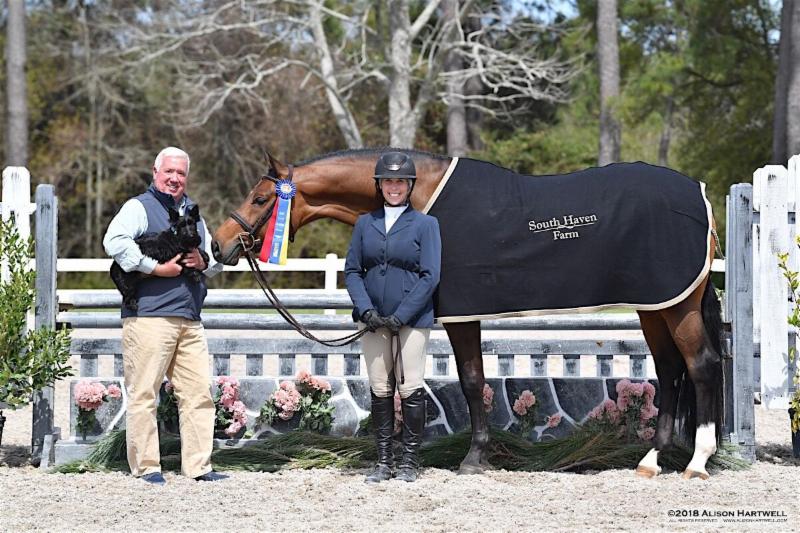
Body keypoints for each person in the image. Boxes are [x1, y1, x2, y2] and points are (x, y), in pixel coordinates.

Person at [103, 146, 226, 485]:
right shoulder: (138, 207)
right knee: (144, 393)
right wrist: (155, 268)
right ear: (155, 172)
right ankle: (147, 467)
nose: (175, 178)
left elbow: (212, 257)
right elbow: (113, 241)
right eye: (168, 172)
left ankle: (199, 467)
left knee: (199, 394)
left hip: (190, 316)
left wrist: (205, 262)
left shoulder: (192, 212)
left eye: (181, 173)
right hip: (149, 316)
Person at [345, 151, 442, 483]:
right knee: (380, 388)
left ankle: (410, 460)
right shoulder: (364, 223)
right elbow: (353, 271)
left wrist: (401, 315)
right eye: (389, 181)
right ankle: (384, 459)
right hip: (372, 320)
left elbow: (431, 275)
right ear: (380, 185)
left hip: (411, 320)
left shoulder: (426, 225)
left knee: (410, 386)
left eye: (400, 181)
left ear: (409, 185)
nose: (394, 186)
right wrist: (367, 310)